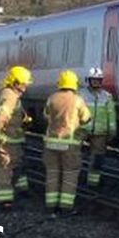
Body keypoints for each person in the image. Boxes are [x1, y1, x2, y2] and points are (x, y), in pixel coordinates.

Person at [43, 69, 91, 216]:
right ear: (74, 84)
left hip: (51, 143)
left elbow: (45, 115)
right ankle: (66, 207)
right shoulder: (78, 100)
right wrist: (81, 136)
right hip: (69, 144)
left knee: (52, 174)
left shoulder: (52, 98)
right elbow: (86, 120)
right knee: (69, 175)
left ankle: (51, 205)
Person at [0, 66, 32, 210]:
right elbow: (3, 115)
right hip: (7, 141)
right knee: (7, 169)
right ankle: (5, 201)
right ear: (15, 82)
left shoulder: (3, 92)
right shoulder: (10, 96)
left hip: (7, 138)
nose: (25, 87)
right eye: (23, 83)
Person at [79, 67, 116, 187]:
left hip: (100, 131)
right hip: (82, 130)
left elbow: (111, 114)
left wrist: (112, 130)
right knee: (73, 154)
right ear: (88, 80)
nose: (96, 82)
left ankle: (93, 183)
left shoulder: (107, 96)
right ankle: (75, 177)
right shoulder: (81, 94)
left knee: (97, 158)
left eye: (98, 80)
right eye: (93, 80)